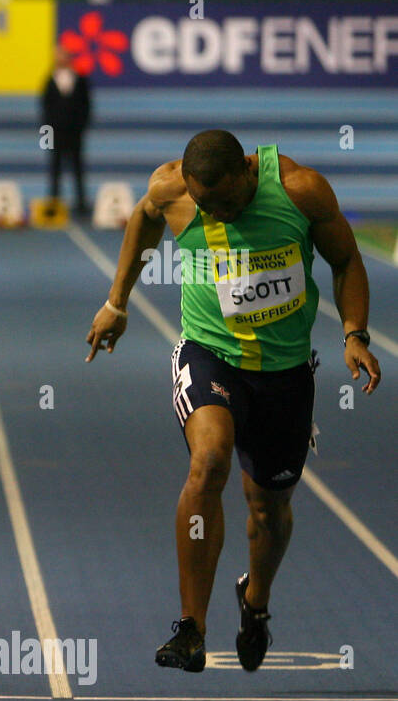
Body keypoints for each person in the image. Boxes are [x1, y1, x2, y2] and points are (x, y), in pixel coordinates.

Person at [85, 129, 380, 673]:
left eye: (226, 202)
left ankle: (256, 602)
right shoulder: (170, 188)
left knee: (269, 508)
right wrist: (117, 302)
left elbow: (346, 261)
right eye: (206, 205)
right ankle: (191, 628)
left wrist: (355, 333)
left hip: (285, 371)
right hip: (209, 352)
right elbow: (146, 220)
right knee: (209, 460)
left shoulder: (302, 191)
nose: (216, 214)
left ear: (248, 170)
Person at [41, 46, 91, 217]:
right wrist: (46, 135)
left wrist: (82, 128)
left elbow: (86, 106)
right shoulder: (49, 80)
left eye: (63, 56)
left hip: (75, 132)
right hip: (55, 133)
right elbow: (45, 110)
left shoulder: (80, 79)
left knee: (77, 168)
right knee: (55, 168)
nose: (60, 59)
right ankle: (54, 203)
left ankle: (81, 203)